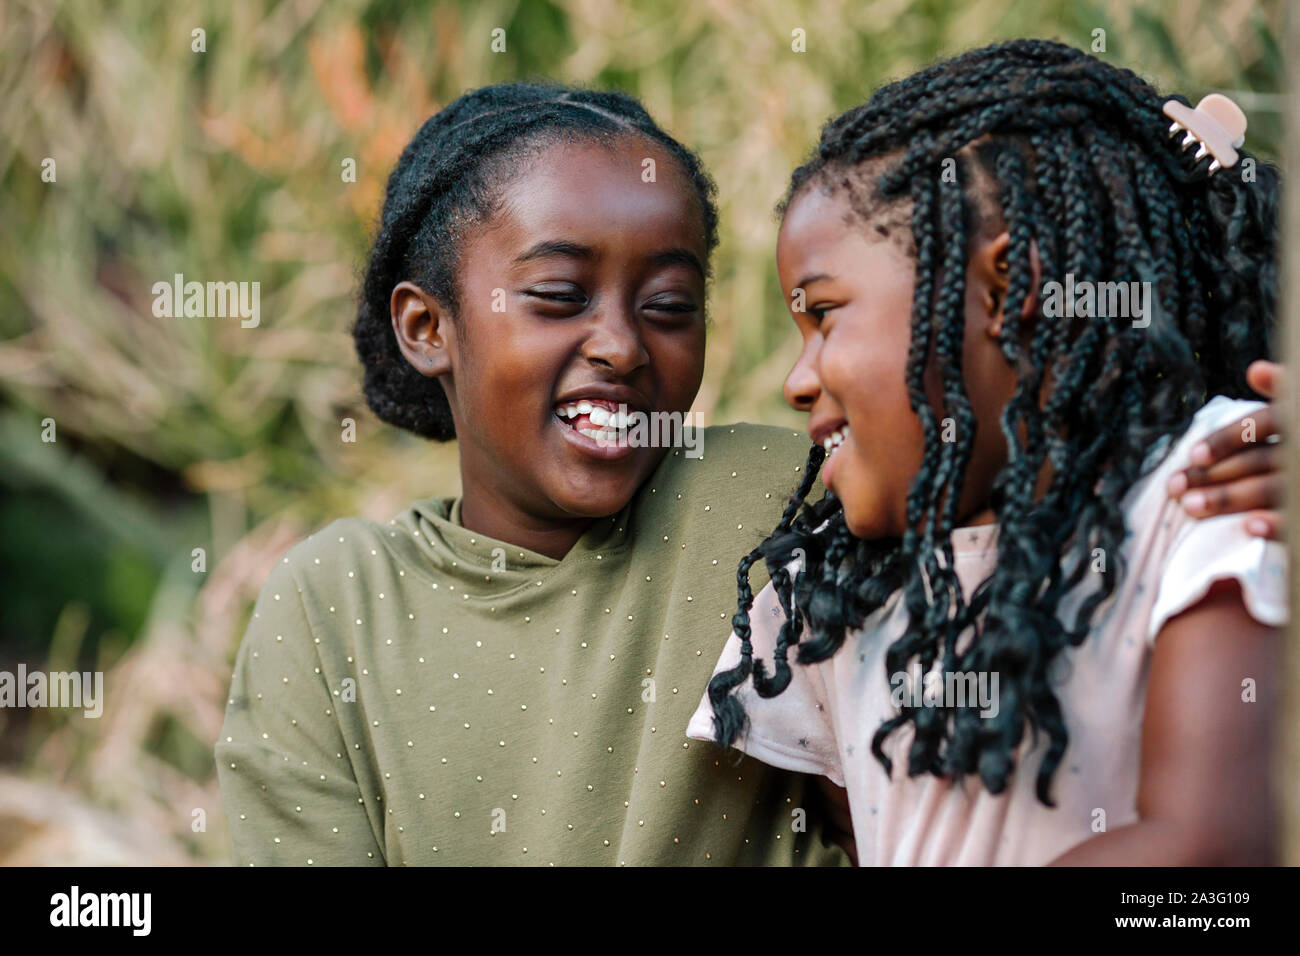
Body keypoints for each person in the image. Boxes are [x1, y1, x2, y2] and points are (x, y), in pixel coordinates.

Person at [691, 39, 1288, 866]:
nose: (798, 380)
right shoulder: (829, 599)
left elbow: (1211, 858)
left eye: (824, 315)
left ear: (1008, 293)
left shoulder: (1214, 490)